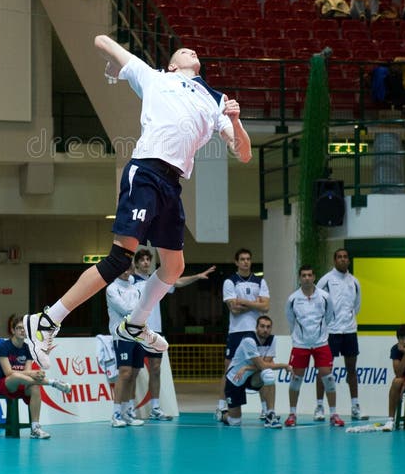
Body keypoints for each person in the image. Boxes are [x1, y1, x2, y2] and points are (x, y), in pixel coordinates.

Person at [23, 36, 252, 362]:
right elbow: (101, 40)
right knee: (119, 259)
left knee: (174, 266)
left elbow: (242, 153)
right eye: (182, 51)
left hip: (173, 184)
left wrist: (234, 121)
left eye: (193, 50)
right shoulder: (155, 77)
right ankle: (46, 321)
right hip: (146, 171)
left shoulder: (217, 100)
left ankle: (135, 324)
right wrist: (114, 63)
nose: (190, 49)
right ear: (172, 64)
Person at [131, 247, 216, 421]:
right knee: (133, 371)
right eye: (143, 260)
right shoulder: (130, 281)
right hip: (137, 331)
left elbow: (176, 282)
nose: (146, 262)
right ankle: (129, 408)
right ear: (137, 263)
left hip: (155, 331)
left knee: (155, 370)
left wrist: (197, 277)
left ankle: (155, 408)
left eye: (148, 259)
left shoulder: (155, 281)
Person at [0, 314, 72, 440]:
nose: (23, 330)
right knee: (15, 376)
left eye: (24, 328)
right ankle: (52, 383)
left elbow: (28, 371)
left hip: (21, 382)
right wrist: (32, 374)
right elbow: (8, 372)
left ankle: (35, 428)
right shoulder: (3, 347)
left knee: (35, 387)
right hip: (5, 384)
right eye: (19, 328)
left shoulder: (28, 348)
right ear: (13, 330)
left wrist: (35, 374)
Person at [284, 265, 344, 428]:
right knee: (296, 380)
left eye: (310, 275)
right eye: (303, 275)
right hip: (300, 344)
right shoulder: (293, 299)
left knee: (329, 378)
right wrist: (299, 336)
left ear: (314, 277)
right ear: (299, 278)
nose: (307, 278)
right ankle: (292, 414)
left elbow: (330, 316)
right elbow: (290, 320)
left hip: (321, 343)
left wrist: (320, 333)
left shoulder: (324, 296)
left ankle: (333, 414)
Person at [215, 248, 270, 421]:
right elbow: (234, 309)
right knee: (229, 368)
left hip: (256, 331)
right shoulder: (230, 282)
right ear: (236, 262)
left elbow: (266, 307)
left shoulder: (260, 282)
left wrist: (244, 301)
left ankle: (265, 409)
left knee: (261, 369)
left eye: (248, 259)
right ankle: (221, 407)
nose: (246, 262)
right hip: (236, 332)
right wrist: (256, 303)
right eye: (242, 259)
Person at [314, 248, 363, 421]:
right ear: (334, 260)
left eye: (345, 257)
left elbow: (356, 306)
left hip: (349, 331)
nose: (343, 259)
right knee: (324, 370)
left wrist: (347, 320)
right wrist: (329, 323)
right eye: (339, 257)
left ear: (348, 260)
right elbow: (317, 303)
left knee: (352, 369)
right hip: (331, 333)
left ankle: (355, 406)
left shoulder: (355, 282)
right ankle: (319, 407)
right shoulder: (325, 280)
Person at [222, 314, 291, 428]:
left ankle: (270, 414)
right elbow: (263, 364)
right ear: (256, 327)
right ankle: (223, 415)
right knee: (235, 421)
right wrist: (284, 365)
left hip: (252, 375)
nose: (265, 330)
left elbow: (265, 366)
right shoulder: (249, 340)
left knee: (268, 374)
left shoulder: (272, 340)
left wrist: (247, 368)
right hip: (235, 378)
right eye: (262, 326)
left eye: (268, 327)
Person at [106, 265, 145, 427]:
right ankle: (115, 414)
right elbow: (125, 309)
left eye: (129, 268)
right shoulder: (112, 288)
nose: (126, 271)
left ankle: (127, 411)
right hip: (121, 335)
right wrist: (141, 309)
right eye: (122, 268)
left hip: (139, 335)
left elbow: (142, 309)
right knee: (125, 372)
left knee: (134, 373)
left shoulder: (136, 288)